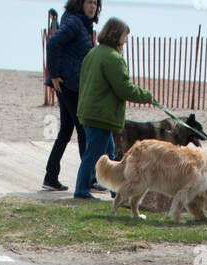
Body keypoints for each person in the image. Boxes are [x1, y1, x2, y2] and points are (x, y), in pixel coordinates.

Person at [74, 17, 155, 201]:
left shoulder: (93, 53)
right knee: (93, 153)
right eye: (125, 36)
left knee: (109, 155)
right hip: (101, 115)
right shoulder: (113, 59)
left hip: (90, 111)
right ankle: (81, 191)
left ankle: (116, 191)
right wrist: (147, 96)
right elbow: (124, 88)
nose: (126, 40)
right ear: (116, 35)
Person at [42, 0, 100, 192]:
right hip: (69, 84)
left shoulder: (82, 24)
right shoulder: (74, 22)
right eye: (89, 2)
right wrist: (55, 74)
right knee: (83, 130)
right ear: (80, 3)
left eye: (96, 3)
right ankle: (89, 180)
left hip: (72, 84)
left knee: (66, 131)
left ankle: (50, 177)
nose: (93, 6)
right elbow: (53, 44)